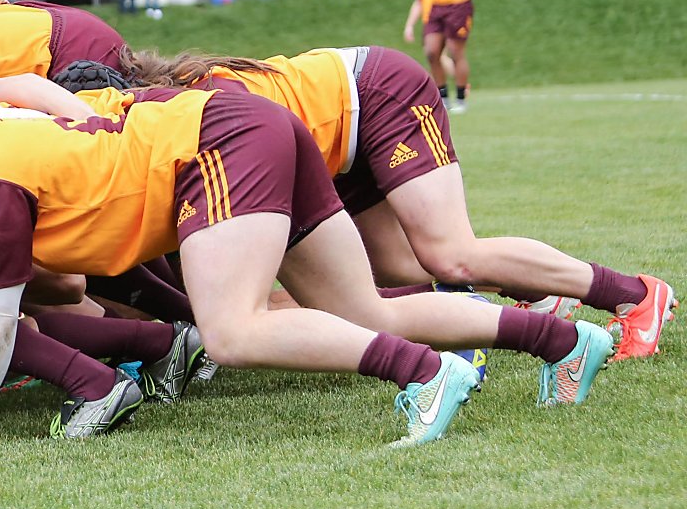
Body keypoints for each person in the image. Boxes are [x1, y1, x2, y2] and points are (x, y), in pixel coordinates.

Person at [0, 86, 616, 445]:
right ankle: (562, 342)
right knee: (368, 310)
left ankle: (424, 375)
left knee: (230, 332)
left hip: (217, 142)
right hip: (239, 128)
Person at [78, 45, 677, 359]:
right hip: (333, 150)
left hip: (375, 93)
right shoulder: (165, 109)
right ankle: (540, 296)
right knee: (396, 268)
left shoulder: (180, 111)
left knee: (450, 255)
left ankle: (635, 295)